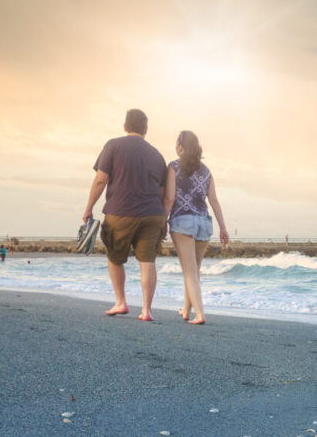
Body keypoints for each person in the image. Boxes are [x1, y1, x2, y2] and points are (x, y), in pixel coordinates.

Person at [84, 108, 170, 320]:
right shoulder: (158, 155)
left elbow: (100, 180)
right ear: (146, 129)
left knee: (115, 257)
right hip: (153, 214)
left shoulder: (113, 145)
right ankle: (147, 310)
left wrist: (88, 207)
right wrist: (163, 220)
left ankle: (121, 302)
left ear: (125, 126)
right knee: (147, 261)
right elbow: (162, 192)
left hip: (120, 211)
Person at [165, 130, 230, 325]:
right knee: (193, 270)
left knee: (189, 271)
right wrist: (223, 228)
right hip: (203, 223)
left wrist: (161, 221)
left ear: (180, 147)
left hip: (182, 222)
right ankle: (186, 310)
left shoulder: (173, 167)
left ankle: (200, 314)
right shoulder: (206, 170)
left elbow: (169, 198)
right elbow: (214, 201)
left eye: (176, 144)